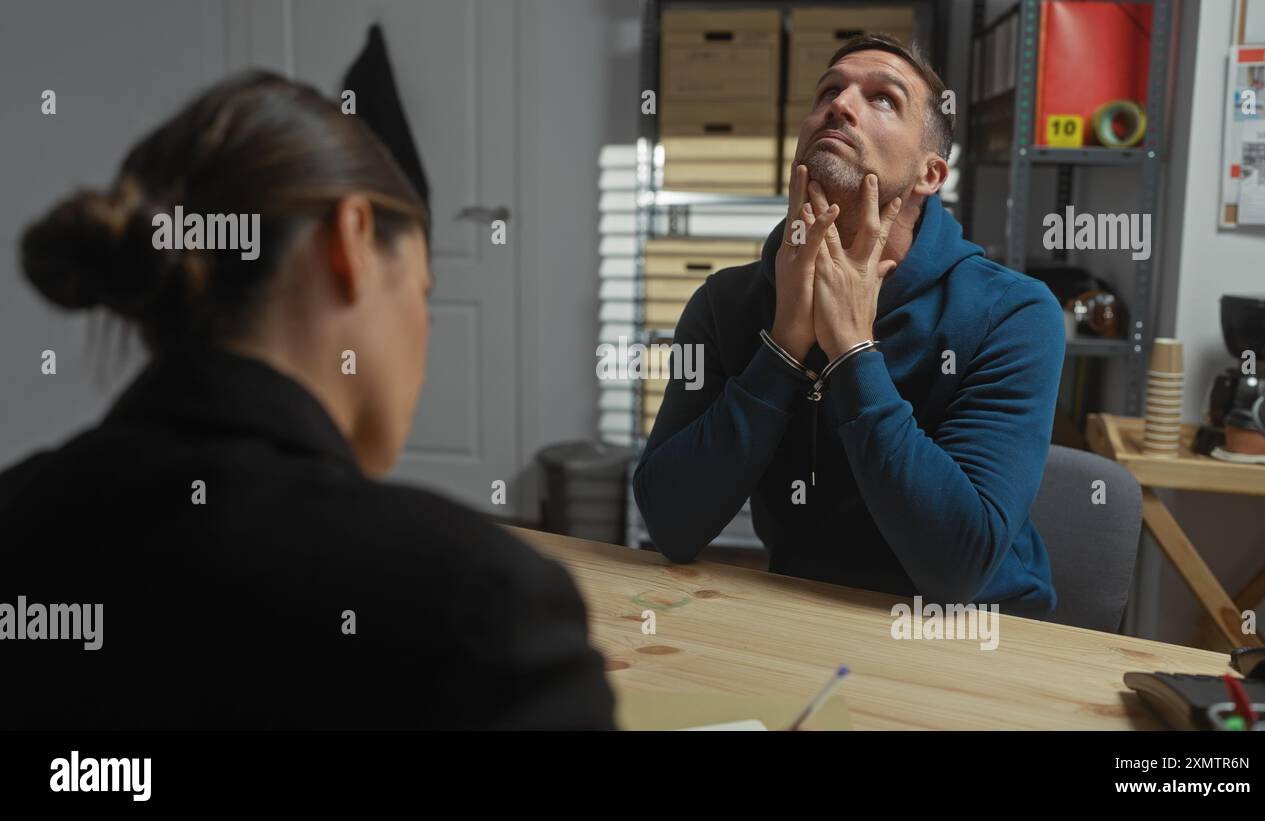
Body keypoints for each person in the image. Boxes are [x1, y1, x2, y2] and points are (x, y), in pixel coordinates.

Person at [0, 71, 615, 729]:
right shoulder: (483, 602)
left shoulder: (17, 511)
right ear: (351, 240)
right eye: (423, 290)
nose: (424, 330)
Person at [634, 34, 1065, 616]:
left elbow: (958, 565)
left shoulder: (1013, 314)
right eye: (829, 91)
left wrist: (853, 352)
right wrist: (784, 349)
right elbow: (669, 525)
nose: (840, 105)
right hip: (806, 613)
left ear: (930, 174)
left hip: (976, 631)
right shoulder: (726, 303)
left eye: (883, 98)